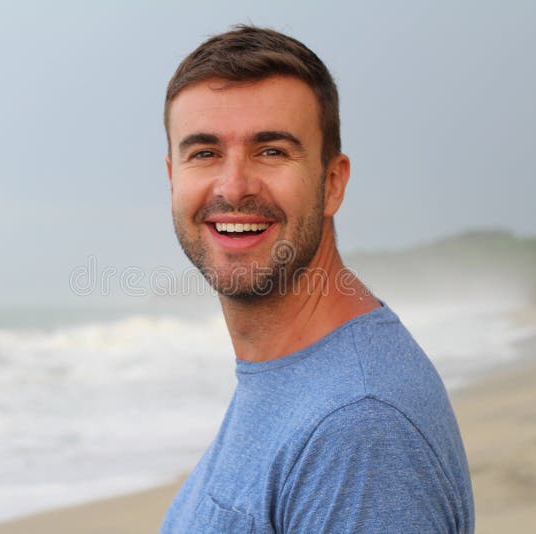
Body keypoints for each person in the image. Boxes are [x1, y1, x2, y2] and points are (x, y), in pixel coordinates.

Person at [161, 25, 474, 533]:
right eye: (205, 153)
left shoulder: (360, 427)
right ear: (172, 178)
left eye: (272, 151)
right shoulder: (290, 372)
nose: (234, 187)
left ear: (332, 183)